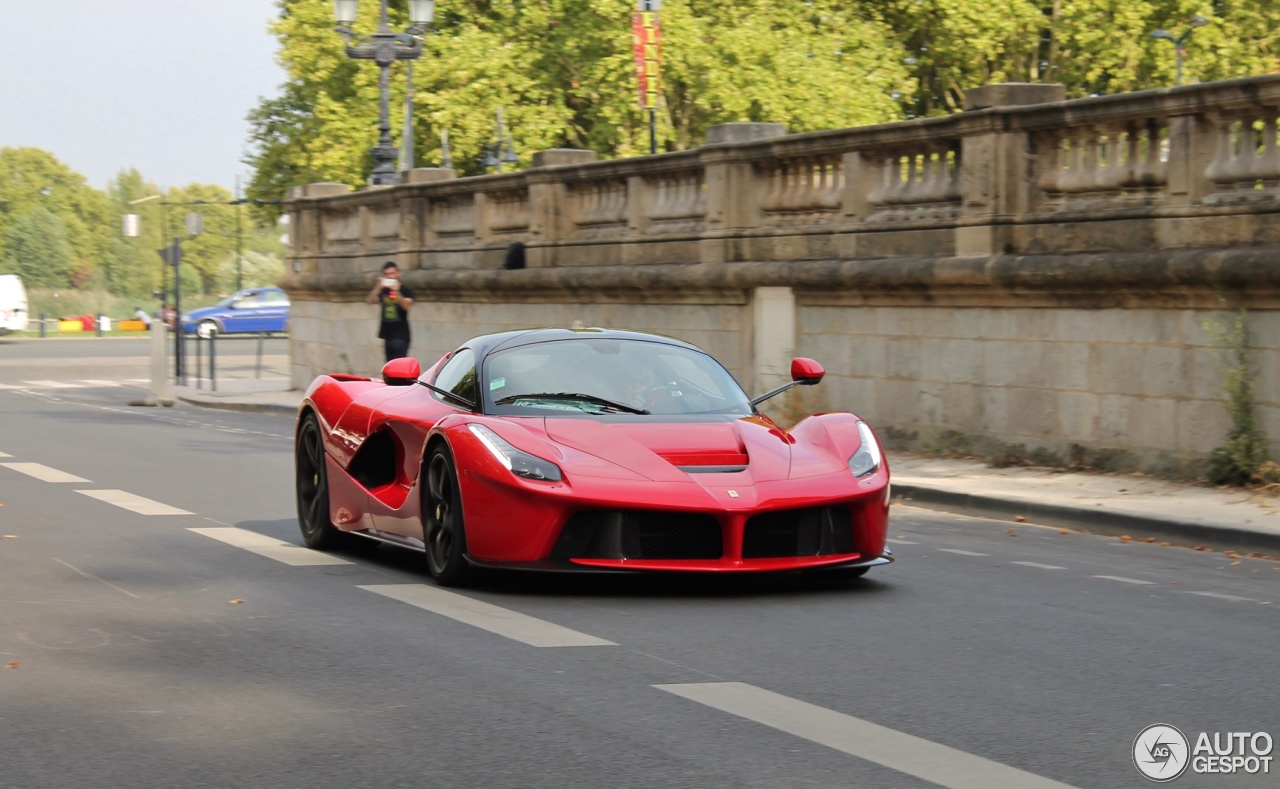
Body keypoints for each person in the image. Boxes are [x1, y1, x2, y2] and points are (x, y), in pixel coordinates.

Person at [366, 261, 415, 362]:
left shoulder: (405, 290)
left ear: (398, 273)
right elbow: (370, 301)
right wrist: (377, 288)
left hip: (401, 335)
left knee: (399, 365)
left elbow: (407, 306)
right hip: (387, 334)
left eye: (392, 273)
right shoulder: (383, 291)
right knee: (388, 366)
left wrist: (397, 292)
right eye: (387, 274)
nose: (390, 276)